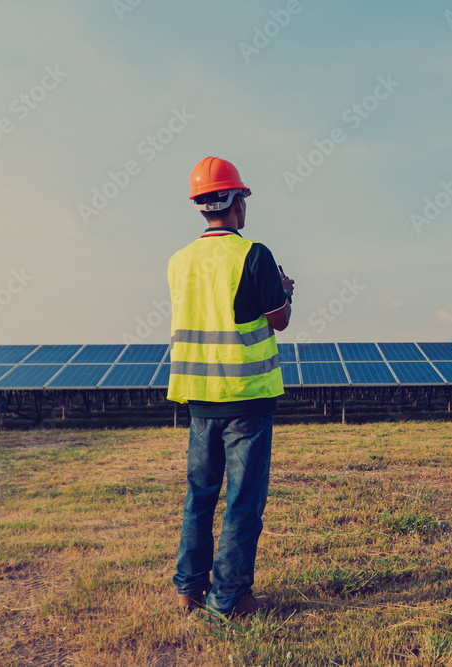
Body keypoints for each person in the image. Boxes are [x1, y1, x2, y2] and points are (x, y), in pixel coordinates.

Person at [167, 156, 294, 618]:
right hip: (247, 398)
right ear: (237, 202)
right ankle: (230, 598)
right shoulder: (253, 254)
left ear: (201, 205)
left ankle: (189, 590)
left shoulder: (179, 261)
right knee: (242, 502)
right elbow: (278, 319)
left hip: (199, 399)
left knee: (199, 497)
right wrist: (282, 289)